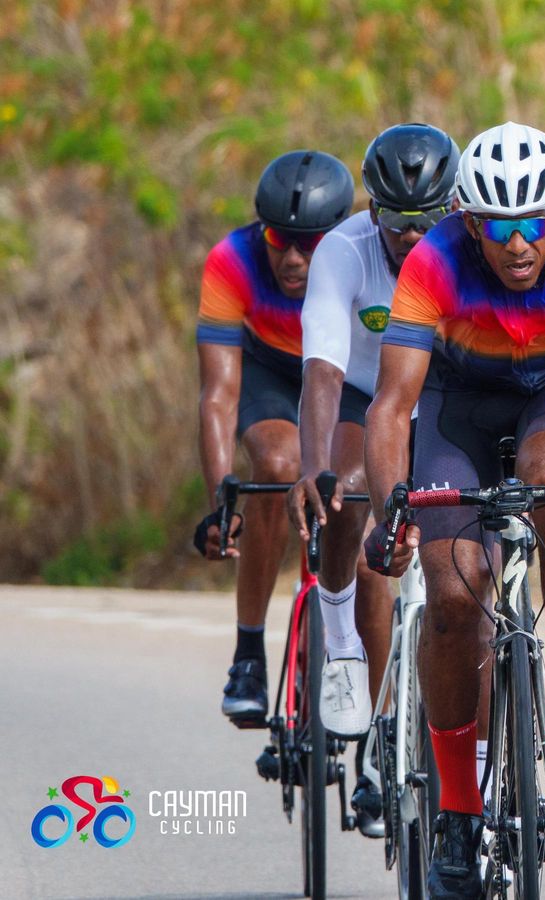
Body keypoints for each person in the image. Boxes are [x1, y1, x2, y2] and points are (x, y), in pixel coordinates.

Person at [363, 121, 545, 900]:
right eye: (498, 227)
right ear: (468, 220)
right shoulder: (434, 259)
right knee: (453, 595)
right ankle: (455, 805)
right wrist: (393, 512)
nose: (518, 244)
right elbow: (391, 409)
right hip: (458, 406)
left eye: (534, 225)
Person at [285, 123, 461, 836]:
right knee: (346, 490)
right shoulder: (343, 251)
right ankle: (343, 648)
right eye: (396, 222)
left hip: (444, 398)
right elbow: (323, 371)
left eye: (428, 223)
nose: (413, 239)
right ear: (373, 212)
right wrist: (312, 464)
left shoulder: (468, 250)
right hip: (362, 394)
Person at [194, 150, 355, 728]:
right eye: (277, 239)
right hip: (273, 373)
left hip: (343, 376)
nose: (290, 258)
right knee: (278, 461)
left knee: (360, 479)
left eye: (308, 245)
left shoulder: (363, 255)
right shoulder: (233, 261)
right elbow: (218, 394)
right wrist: (221, 504)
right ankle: (248, 656)